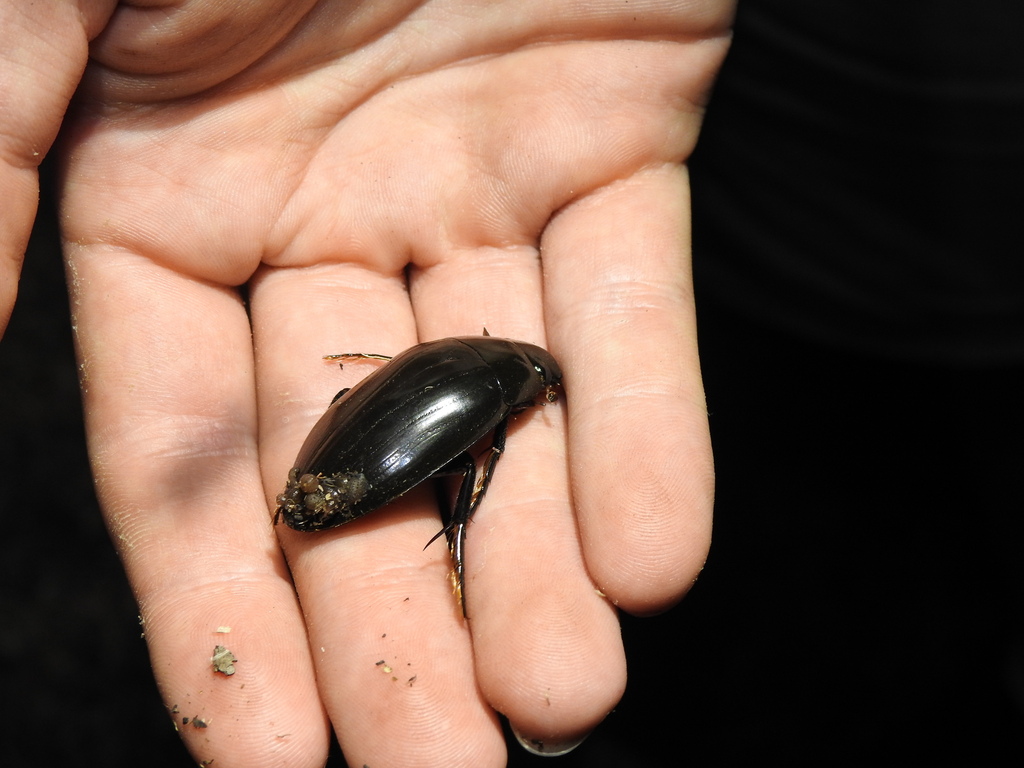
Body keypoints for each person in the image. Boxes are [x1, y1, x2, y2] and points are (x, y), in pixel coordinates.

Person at [0, 2, 730, 766]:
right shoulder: (483, 403)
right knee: (477, 471)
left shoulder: (447, 355)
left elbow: (395, 377)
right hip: (373, 447)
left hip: (362, 440)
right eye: (540, 389)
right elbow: (442, 427)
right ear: (522, 391)